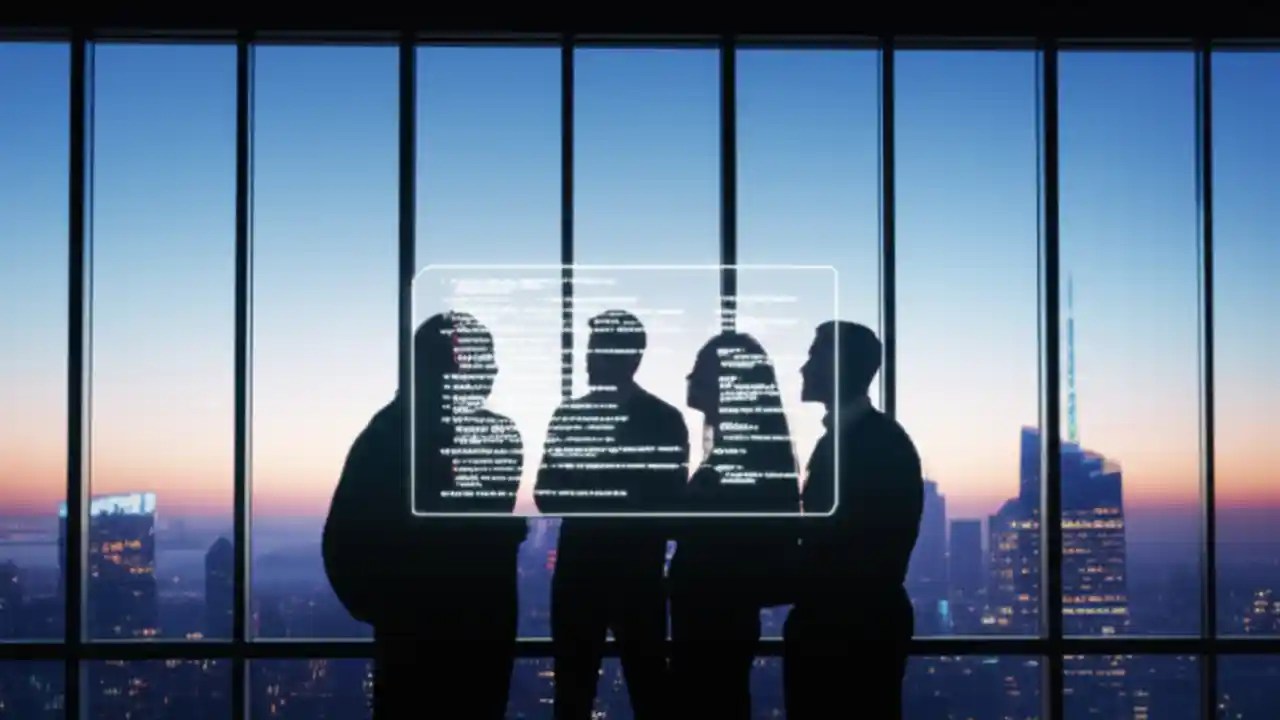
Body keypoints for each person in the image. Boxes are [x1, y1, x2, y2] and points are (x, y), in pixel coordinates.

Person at [322, 311, 527, 719]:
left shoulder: (384, 436)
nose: (492, 372)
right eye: (481, 361)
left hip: (423, 637)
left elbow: (343, 546)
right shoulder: (496, 436)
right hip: (476, 632)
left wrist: (391, 611)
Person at [533, 309, 689, 720]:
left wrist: (588, 492)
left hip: (589, 575)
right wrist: (624, 493)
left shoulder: (573, 418)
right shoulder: (664, 420)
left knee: (590, 690)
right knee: (643, 687)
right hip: (629, 575)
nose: (587, 359)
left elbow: (551, 493)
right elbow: (548, 494)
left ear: (624, 358)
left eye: (596, 351)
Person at [783, 321, 924, 720]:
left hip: (847, 633)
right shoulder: (871, 439)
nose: (804, 368)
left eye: (814, 355)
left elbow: (851, 548)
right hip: (856, 626)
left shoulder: (871, 443)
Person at [669, 331, 800, 720]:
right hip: (720, 615)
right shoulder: (750, 450)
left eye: (700, 371)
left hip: (712, 617)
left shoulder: (737, 457)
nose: (690, 379)